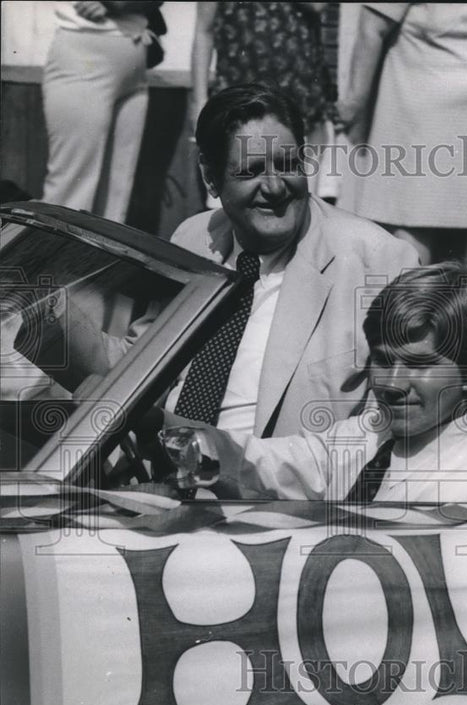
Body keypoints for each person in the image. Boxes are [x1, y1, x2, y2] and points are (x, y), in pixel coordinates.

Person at [124, 83, 420, 441]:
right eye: (251, 171)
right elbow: (138, 365)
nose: (276, 187)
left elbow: (438, 399)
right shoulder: (192, 238)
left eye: (287, 164)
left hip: (276, 489)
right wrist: (52, 323)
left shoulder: (377, 261)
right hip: (158, 475)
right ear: (210, 177)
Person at [162, 262, 467, 505]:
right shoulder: (367, 434)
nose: (392, 384)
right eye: (383, 360)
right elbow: (277, 464)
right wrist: (189, 440)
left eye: (420, 365)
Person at [337, 3, 467, 264]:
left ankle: (418, 304)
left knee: (411, 226)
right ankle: (440, 303)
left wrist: (352, 105)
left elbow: (371, 30)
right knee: (451, 229)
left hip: (421, 108)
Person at [188, 2, 338, 200]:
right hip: (239, 101)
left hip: (302, 100)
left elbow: (318, 5)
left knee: (301, 201)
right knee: (235, 197)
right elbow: (203, 31)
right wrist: (199, 100)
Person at [41, 1, 163, 222]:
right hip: (84, 56)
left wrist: (117, 5)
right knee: (69, 195)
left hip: (135, 58)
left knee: (115, 207)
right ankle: (52, 256)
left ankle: (100, 258)